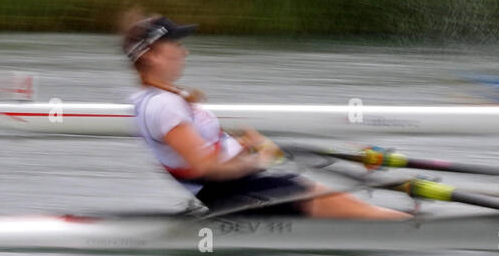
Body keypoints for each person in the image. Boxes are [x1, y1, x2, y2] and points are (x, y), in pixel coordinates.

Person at [121, 13, 407, 219]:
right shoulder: (163, 106)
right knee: (363, 213)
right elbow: (204, 168)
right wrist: (257, 159)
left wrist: (244, 147)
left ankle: (400, 220)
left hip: (240, 186)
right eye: (176, 44)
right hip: (234, 191)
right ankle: (414, 227)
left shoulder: (156, 99)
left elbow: (201, 154)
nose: (185, 51)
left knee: (348, 205)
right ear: (153, 56)